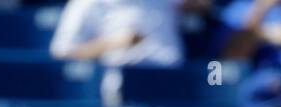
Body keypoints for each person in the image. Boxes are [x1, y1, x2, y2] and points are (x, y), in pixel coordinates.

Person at [49, 0, 185, 67]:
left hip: (173, 76)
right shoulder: (86, 3)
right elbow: (62, 51)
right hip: (122, 77)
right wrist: (114, 43)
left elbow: (199, 5)